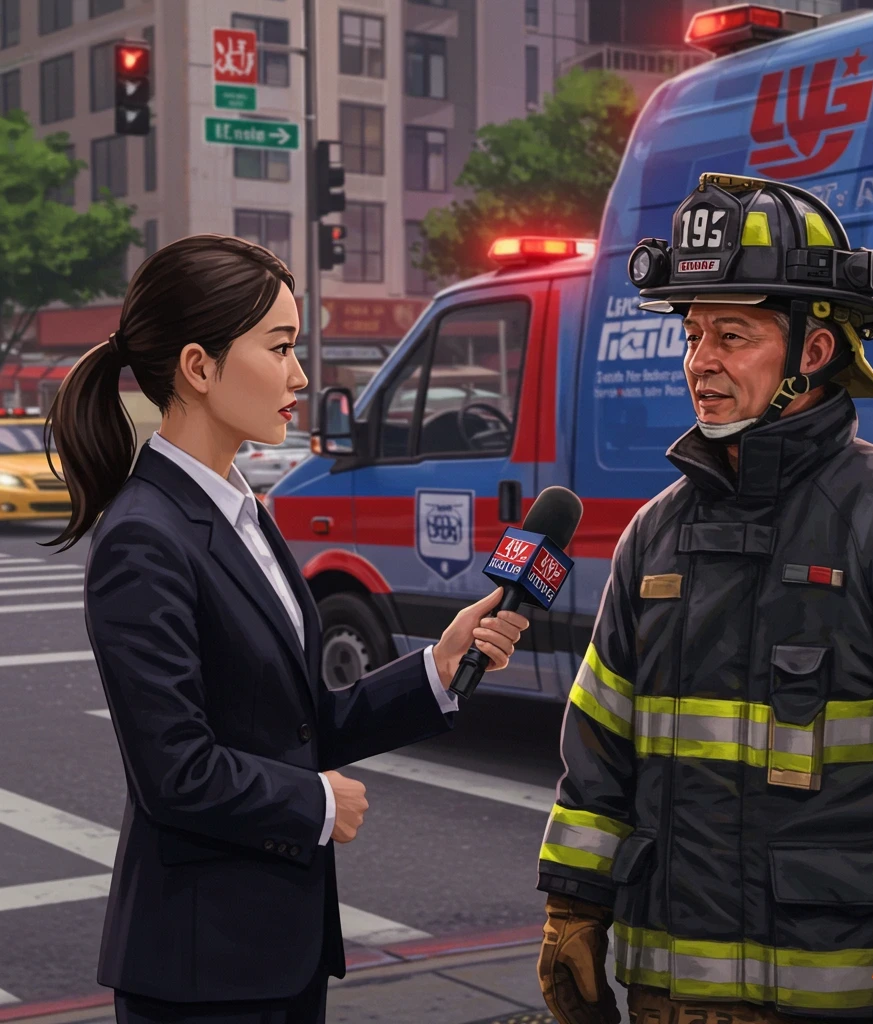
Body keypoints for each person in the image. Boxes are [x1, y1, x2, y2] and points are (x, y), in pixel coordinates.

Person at [535, 173, 873, 1024]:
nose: (700, 362)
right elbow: (599, 757)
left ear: (814, 351)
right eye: (693, 334)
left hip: (844, 1001)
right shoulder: (654, 537)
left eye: (733, 334)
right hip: (667, 1002)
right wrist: (572, 911)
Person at [42, 234, 530, 1024]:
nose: (301, 375)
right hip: (200, 977)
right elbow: (174, 771)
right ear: (199, 368)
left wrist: (436, 668)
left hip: (277, 956)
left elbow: (298, 720)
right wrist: (314, 803)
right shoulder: (144, 537)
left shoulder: (243, 515)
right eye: (279, 347)